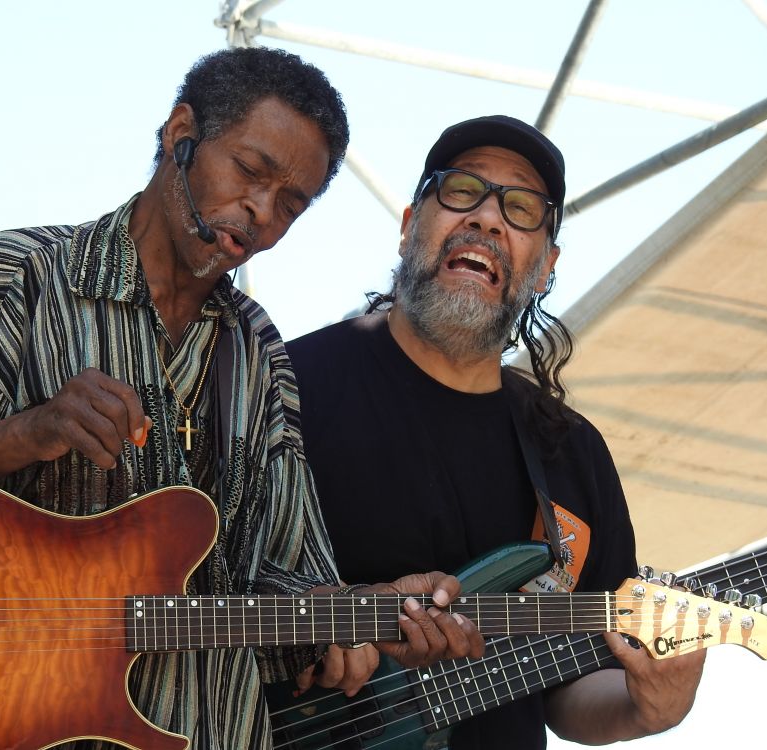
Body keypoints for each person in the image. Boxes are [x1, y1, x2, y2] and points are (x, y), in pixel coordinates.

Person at [0, 48, 483, 750]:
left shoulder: (260, 351)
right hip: (10, 726)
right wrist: (30, 431)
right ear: (181, 133)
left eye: (291, 204)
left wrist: (358, 614)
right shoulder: (22, 274)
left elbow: (283, 574)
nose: (262, 214)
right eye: (249, 171)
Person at [285, 115, 706, 747]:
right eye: (460, 190)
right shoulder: (286, 387)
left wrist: (648, 708)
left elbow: (569, 687)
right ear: (407, 227)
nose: (487, 218)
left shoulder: (571, 453)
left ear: (545, 268)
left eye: (521, 207)